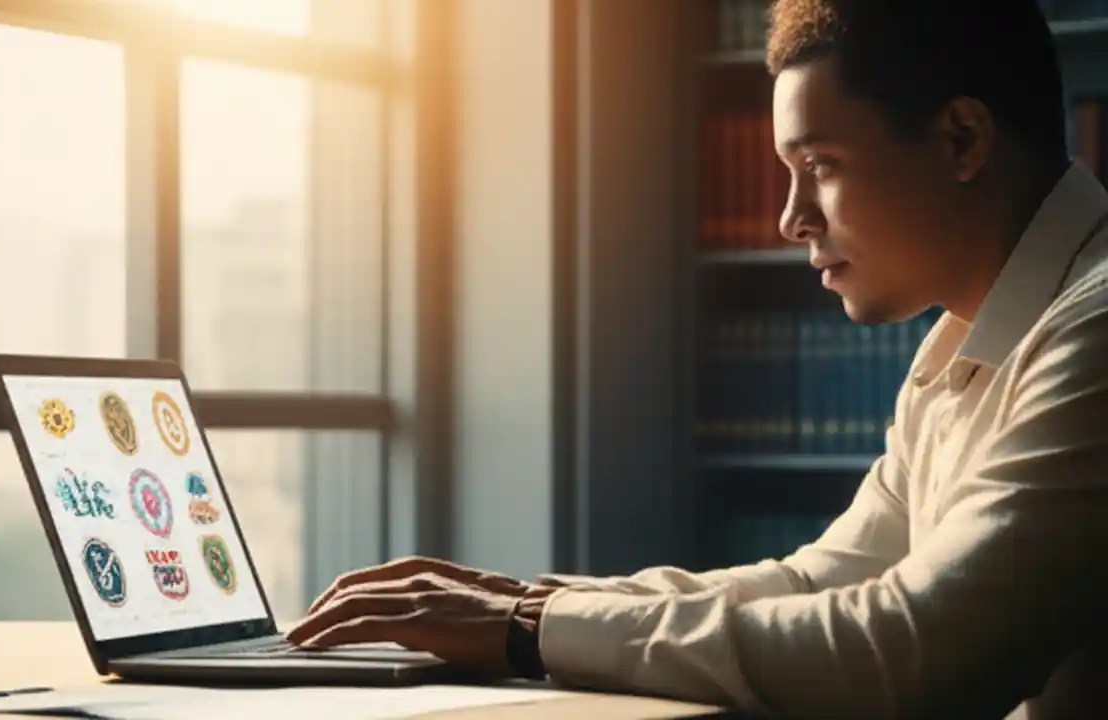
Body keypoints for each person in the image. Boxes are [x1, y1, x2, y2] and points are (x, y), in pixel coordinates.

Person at [289, 1, 1108, 716]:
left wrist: (526, 632)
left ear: (962, 138)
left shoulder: (1095, 331)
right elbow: (815, 585)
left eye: (818, 166)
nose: (791, 219)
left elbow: (912, 649)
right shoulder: (964, 344)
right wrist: (535, 604)